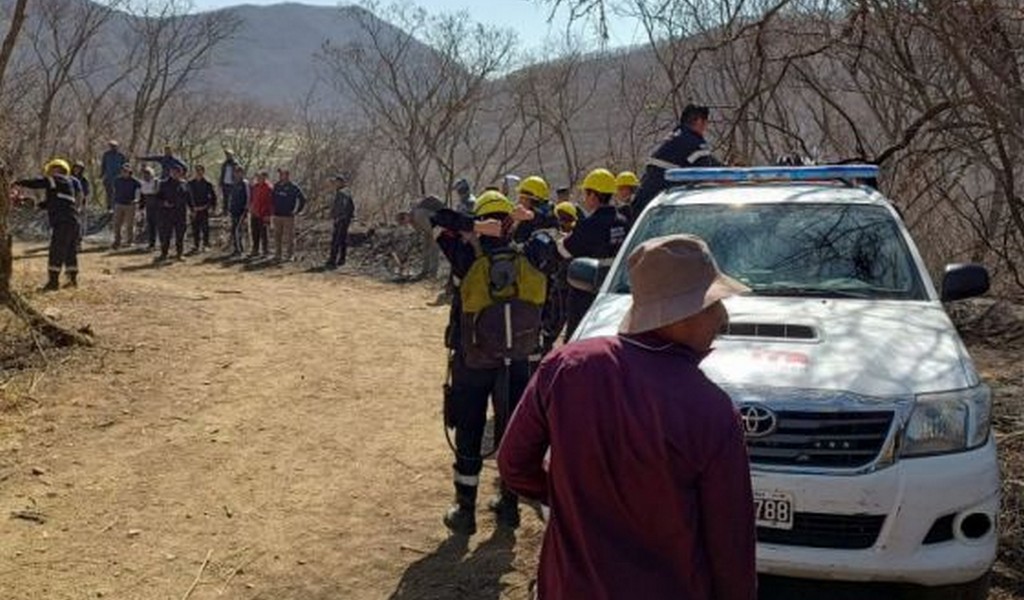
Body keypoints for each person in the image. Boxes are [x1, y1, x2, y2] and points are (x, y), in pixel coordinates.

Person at [498, 234, 756, 600]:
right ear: (682, 314)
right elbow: (731, 545)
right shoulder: (711, 411)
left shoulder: (566, 367)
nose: (722, 318)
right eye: (714, 304)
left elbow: (513, 466)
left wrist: (571, 500)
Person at [431, 191, 557, 536]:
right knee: (513, 431)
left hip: (473, 360)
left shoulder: (463, 254)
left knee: (470, 428)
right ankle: (509, 506)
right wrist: (528, 217)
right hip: (520, 361)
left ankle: (465, 510)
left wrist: (471, 225)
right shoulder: (534, 252)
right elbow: (563, 225)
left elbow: (430, 215)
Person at [558, 168, 629, 340]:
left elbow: (566, 250)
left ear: (593, 195)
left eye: (586, 193)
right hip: (617, 290)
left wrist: (560, 241)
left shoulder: (589, 225)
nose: (584, 197)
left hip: (587, 292)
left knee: (579, 338)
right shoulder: (624, 221)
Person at [632, 103, 722, 216]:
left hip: (646, 202)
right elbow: (713, 171)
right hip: (660, 207)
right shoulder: (692, 141)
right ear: (699, 121)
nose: (705, 127)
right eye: (705, 122)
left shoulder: (676, 136)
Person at [14, 159, 81, 290]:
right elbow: (52, 202)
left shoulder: (58, 178)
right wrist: (34, 205)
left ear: (57, 169)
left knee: (56, 249)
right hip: (72, 221)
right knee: (69, 251)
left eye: (50, 170)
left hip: (63, 221)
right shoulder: (65, 184)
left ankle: (53, 282)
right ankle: (72, 279)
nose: (48, 173)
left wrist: (18, 182)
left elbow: (38, 182)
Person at [540, 202, 579, 352]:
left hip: (561, 285)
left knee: (556, 323)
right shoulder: (569, 238)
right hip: (562, 284)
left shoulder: (565, 240)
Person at [402, 195, 445, 280]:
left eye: (403, 218)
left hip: (437, 226)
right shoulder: (413, 220)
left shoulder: (418, 215)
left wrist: (433, 237)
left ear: (406, 214)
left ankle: (433, 274)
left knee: (434, 249)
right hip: (430, 228)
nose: (403, 222)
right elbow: (420, 232)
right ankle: (425, 272)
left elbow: (430, 229)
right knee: (426, 248)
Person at [155, 164, 191, 261]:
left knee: (180, 235)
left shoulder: (184, 184)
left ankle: (179, 254)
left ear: (180, 173)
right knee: (166, 234)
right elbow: (157, 198)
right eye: (173, 172)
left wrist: (192, 209)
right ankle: (164, 254)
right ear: (170, 173)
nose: (175, 174)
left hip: (181, 213)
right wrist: (164, 203)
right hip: (167, 213)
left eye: (177, 172)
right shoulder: (164, 183)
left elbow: (189, 198)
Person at [271, 168, 306, 261]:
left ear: (287, 175)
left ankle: (290, 255)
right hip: (277, 215)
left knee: (289, 236)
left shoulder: (293, 187)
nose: (281, 176)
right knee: (277, 235)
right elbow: (271, 199)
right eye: (280, 174)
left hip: (288, 216)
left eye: (283, 174)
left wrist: (297, 211)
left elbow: (302, 199)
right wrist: (272, 210)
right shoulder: (276, 186)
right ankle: (278, 254)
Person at [326, 174, 355, 269]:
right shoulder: (347, 192)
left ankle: (332, 260)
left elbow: (342, 206)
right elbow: (352, 206)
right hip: (346, 219)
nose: (335, 183)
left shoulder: (341, 193)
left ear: (341, 182)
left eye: (337, 182)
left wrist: (338, 217)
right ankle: (342, 259)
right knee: (343, 239)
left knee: (336, 240)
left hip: (341, 219)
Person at [110, 164, 141, 250]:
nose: (124, 172)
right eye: (123, 171)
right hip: (118, 204)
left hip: (130, 205)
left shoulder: (135, 181)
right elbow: (114, 192)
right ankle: (117, 241)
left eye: (126, 171)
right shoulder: (117, 180)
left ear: (130, 172)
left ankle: (130, 241)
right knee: (117, 224)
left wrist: (137, 200)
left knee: (130, 224)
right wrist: (113, 202)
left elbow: (140, 190)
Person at [187, 165, 217, 253]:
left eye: (200, 170)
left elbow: (213, 197)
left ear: (203, 172)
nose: (198, 172)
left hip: (204, 209)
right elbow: (187, 197)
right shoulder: (190, 184)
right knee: (195, 228)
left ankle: (206, 245)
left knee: (205, 228)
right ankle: (196, 245)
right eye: (197, 170)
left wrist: (211, 207)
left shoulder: (208, 184)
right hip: (194, 210)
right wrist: (191, 208)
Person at [248, 170, 273, 257]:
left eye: (261, 177)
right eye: (257, 177)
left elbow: (270, 202)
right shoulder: (254, 187)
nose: (259, 179)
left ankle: (265, 251)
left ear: (265, 178)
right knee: (254, 232)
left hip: (264, 214)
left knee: (264, 233)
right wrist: (251, 208)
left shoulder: (269, 188)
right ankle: (255, 250)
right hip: (254, 213)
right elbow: (252, 199)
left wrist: (268, 215)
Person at [227, 167, 249, 256]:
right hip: (234, 210)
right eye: (236, 172)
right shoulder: (234, 183)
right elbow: (231, 197)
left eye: (239, 172)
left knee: (237, 230)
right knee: (234, 230)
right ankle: (237, 248)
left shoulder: (244, 183)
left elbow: (248, 197)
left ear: (242, 173)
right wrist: (229, 208)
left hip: (242, 210)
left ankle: (240, 250)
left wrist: (246, 209)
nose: (237, 174)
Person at [70, 162, 91, 249]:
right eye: (75, 168)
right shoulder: (69, 178)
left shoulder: (84, 180)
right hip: (70, 203)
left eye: (79, 168)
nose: (77, 170)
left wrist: (81, 203)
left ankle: (79, 241)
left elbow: (86, 193)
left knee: (79, 223)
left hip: (80, 203)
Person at [100, 140, 126, 210]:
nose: (112, 147)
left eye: (114, 146)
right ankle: (109, 207)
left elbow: (125, 166)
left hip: (118, 178)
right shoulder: (106, 154)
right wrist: (101, 174)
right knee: (109, 193)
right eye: (111, 146)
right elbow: (103, 165)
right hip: (108, 177)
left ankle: (115, 208)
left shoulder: (121, 155)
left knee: (116, 193)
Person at [139, 166, 160, 250]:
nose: (146, 176)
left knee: (159, 226)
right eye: (145, 174)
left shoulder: (156, 182)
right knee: (150, 226)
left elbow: (159, 194)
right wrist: (141, 208)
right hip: (149, 207)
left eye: (148, 174)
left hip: (157, 207)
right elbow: (143, 197)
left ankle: (161, 243)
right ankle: (152, 244)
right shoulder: (143, 184)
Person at [219, 149, 239, 215]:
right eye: (227, 155)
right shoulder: (224, 164)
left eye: (229, 155)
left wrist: (236, 181)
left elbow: (237, 173)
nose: (228, 156)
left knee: (233, 198)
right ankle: (225, 211)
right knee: (225, 198)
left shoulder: (235, 163)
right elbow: (222, 173)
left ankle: (232, 211)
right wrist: (220, 182)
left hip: (232, 183)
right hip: (225, 183)